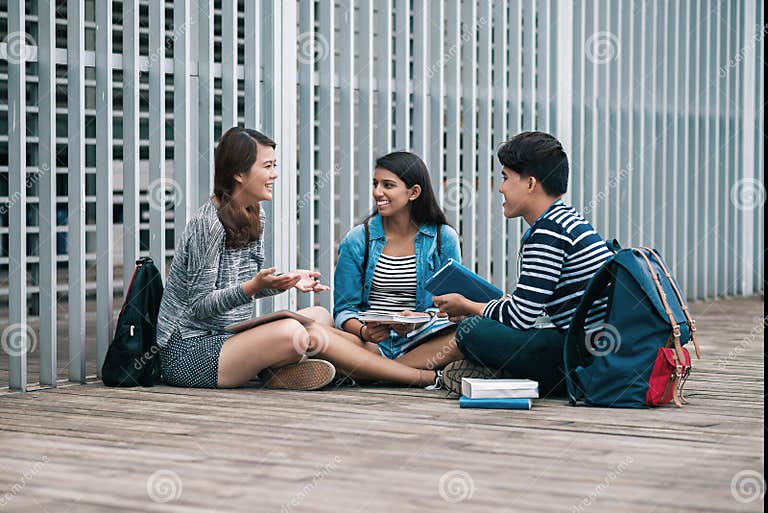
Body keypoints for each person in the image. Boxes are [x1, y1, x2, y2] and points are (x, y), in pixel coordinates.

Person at [156, 128, 441, 390]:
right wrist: (254, 288)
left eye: (274, 166)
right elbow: (198, 307)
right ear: (239, 174)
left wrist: (280, 283)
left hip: (228, 337)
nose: (274, 174)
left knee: (319, 316)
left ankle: (275, 372)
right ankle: (417, 376)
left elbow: (243, 287)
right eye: (267, 166)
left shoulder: (255, 214)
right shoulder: (208, 224)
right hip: (189, 351)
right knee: (293, 331)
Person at [416, 131, 614, 396]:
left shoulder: (548, 233)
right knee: (483, 325)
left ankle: (512, 376)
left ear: (530, 183)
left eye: (506, 178)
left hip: (583, 356)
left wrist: (468, 306)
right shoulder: (567, 220)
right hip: (595, 345)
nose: (500, 188)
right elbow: (533, 311)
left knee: (471, 332)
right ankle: (499, 374)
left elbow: (520, 318)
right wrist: (486, 309)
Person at [333, 151, 461, 369]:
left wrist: (417, 320)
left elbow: (452, 308)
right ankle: (406, 371)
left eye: (388, 185)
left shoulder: (443, 238)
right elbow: (344, 310)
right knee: (314, 331)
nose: (377, 192)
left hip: (423, 341)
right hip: (370, 344)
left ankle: (376, 370)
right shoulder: (357, 239)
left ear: (414, 192)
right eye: (375, 184)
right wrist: (365, 331)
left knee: (472, 333)